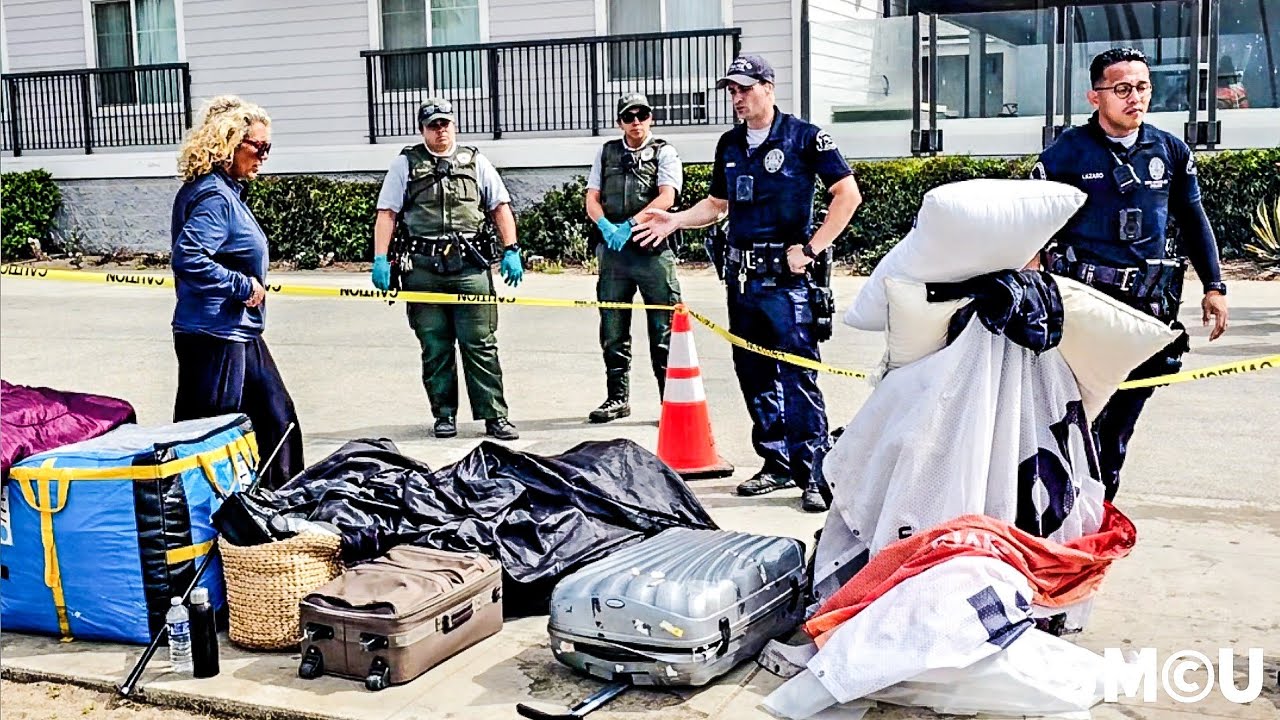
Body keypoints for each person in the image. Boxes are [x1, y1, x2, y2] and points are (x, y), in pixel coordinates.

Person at [635, 54, 863, 512]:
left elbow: (847, 194)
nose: (736, 99)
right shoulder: (730, 144)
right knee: (754, 373)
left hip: (789, 280)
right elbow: (717, 204)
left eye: (744, 89)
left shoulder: (805, 138)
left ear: (767, 86)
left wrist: (812, 248)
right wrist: (675, 220)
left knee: (797, 375)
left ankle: (814, 470)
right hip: (742, 281)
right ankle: (776, 462)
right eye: (731, 91)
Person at [1032, 47, 1229, 502]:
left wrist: (1214, 286)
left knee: (1118, 428)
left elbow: (1194, 219)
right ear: (1094, 97)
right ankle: (1060, 512)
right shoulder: (1068, 152)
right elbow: (1031, 218)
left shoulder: (1170, 151)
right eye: (1122, 89)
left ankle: (1097, 510)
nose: (1134, 98)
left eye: (1142, 87)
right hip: (1087, 309)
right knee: (1074, 416)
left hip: (1147, 309)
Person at [171, 95, 303, 490]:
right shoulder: (214, 197)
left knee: (278, 421)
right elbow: (189, 257)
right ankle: (200, 529)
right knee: (207, 439)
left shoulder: (225, 191)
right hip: (213, 334)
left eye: (268, 147)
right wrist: (241, 285)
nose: (264, 156)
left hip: (239, 332)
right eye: (258, 147)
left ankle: (282, 511)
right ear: (228, 146)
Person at [371, 98, 523, 441]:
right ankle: (444, 415)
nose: (440, 130)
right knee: (435, 345)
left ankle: (495, 416)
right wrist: (381, 258)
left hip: (468, 266)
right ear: (422, 129)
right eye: (433, 125)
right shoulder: (406, 164)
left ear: (454, 124)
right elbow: (387, 213)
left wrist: (511, 248)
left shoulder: (474, 161)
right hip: (423, 268)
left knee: (480, 342)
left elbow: (500, 206)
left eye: (445, 124)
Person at [584, 92, 684, 422]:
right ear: (620, 122)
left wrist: (631, 224)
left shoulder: (664, 152)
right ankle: (617, 398)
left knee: (664, 333)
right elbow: (592, 198)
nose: (636, 122)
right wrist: (605, 226)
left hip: (653, 252)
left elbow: (667, 196)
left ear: (650, 118)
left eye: (642, 115)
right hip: (615, 255)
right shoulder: (607, 152)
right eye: (629, 117)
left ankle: (671, 403)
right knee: (613, 330)